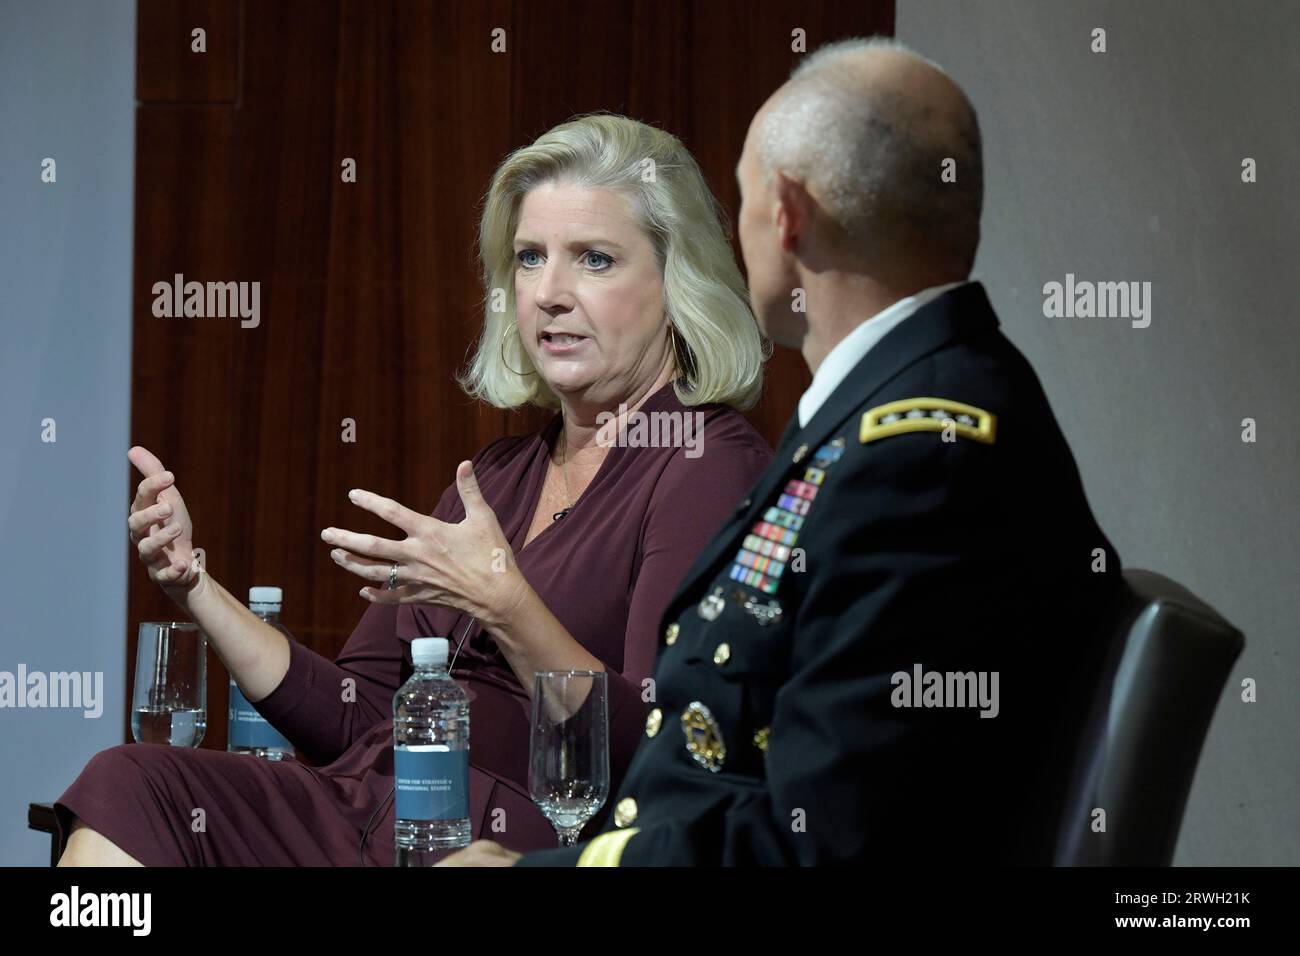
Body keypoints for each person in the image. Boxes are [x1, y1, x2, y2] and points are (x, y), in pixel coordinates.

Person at [438, 37, 1123, 868]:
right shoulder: (883, 415)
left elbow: (827, 842)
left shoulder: (921, 459)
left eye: (745, 198)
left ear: (789, 212)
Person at [54, 113, 773, 866]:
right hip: (367, 810)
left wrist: (505, 603)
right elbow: (358, 716)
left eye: (594, 259)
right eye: (530, 259)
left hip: (514, 843)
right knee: (130, 783)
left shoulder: (703, 462)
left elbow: (667, 749)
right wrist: (194, 584)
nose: (551, 292)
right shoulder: (498, 474)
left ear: (675, 279)